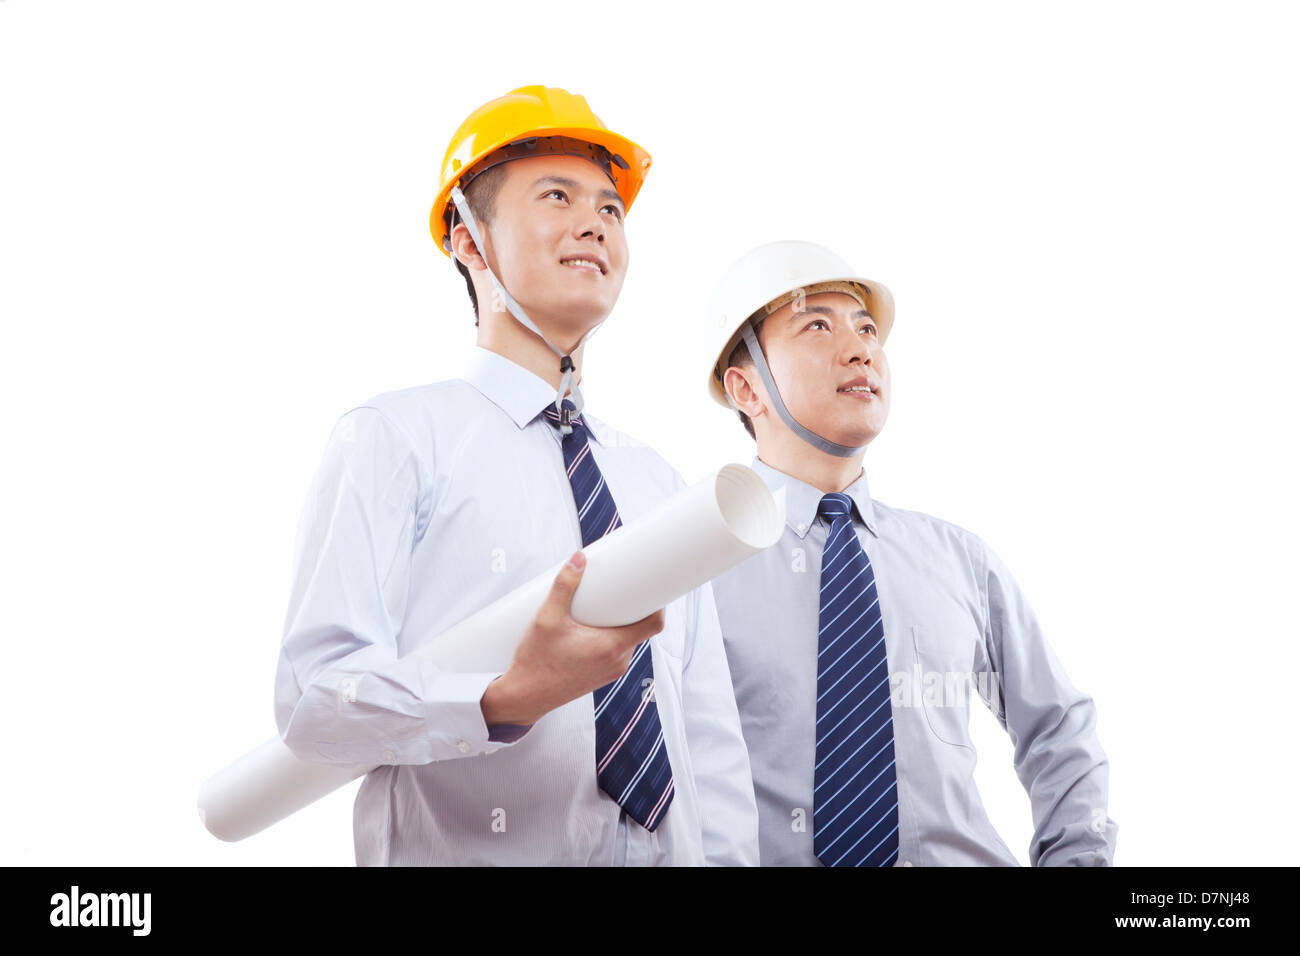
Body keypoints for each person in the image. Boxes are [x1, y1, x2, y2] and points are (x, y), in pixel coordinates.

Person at [273, 86, 758, 866]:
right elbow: (317, 701)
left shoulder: (660, 487)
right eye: (557, 195)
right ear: (469, 239)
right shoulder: (395, 441)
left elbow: (708, 744)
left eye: (611, 207)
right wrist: (499, 700)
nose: (596, 222)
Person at [704, 240, 1117, 866]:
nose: (860, 348)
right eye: (817, 325)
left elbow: (1058, 724)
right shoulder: (692, 572)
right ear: (746, 388)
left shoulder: (959, 560)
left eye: (867, 328)